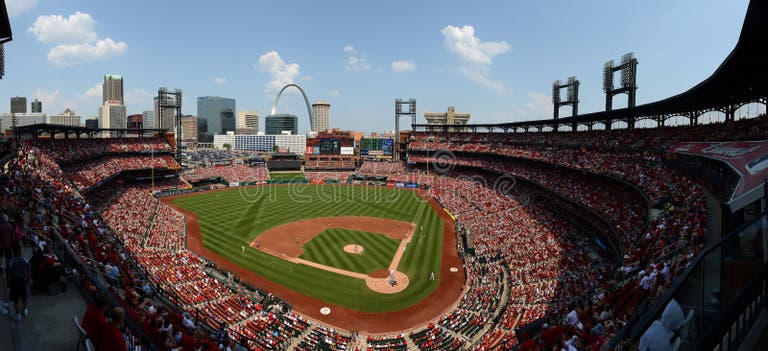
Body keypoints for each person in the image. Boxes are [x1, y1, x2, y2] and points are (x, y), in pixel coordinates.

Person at [8, 245, 30, 321]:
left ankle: (18, 314)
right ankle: (25, 310)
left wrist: (9, 283)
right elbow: (28, 270)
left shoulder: (12, 261)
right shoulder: (24, 259)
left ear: (13, 251)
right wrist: (27, 279)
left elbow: (10, 274)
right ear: (20, 250)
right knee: (24, 296)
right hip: (23, 280)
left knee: (16, 299)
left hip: (15, 281)